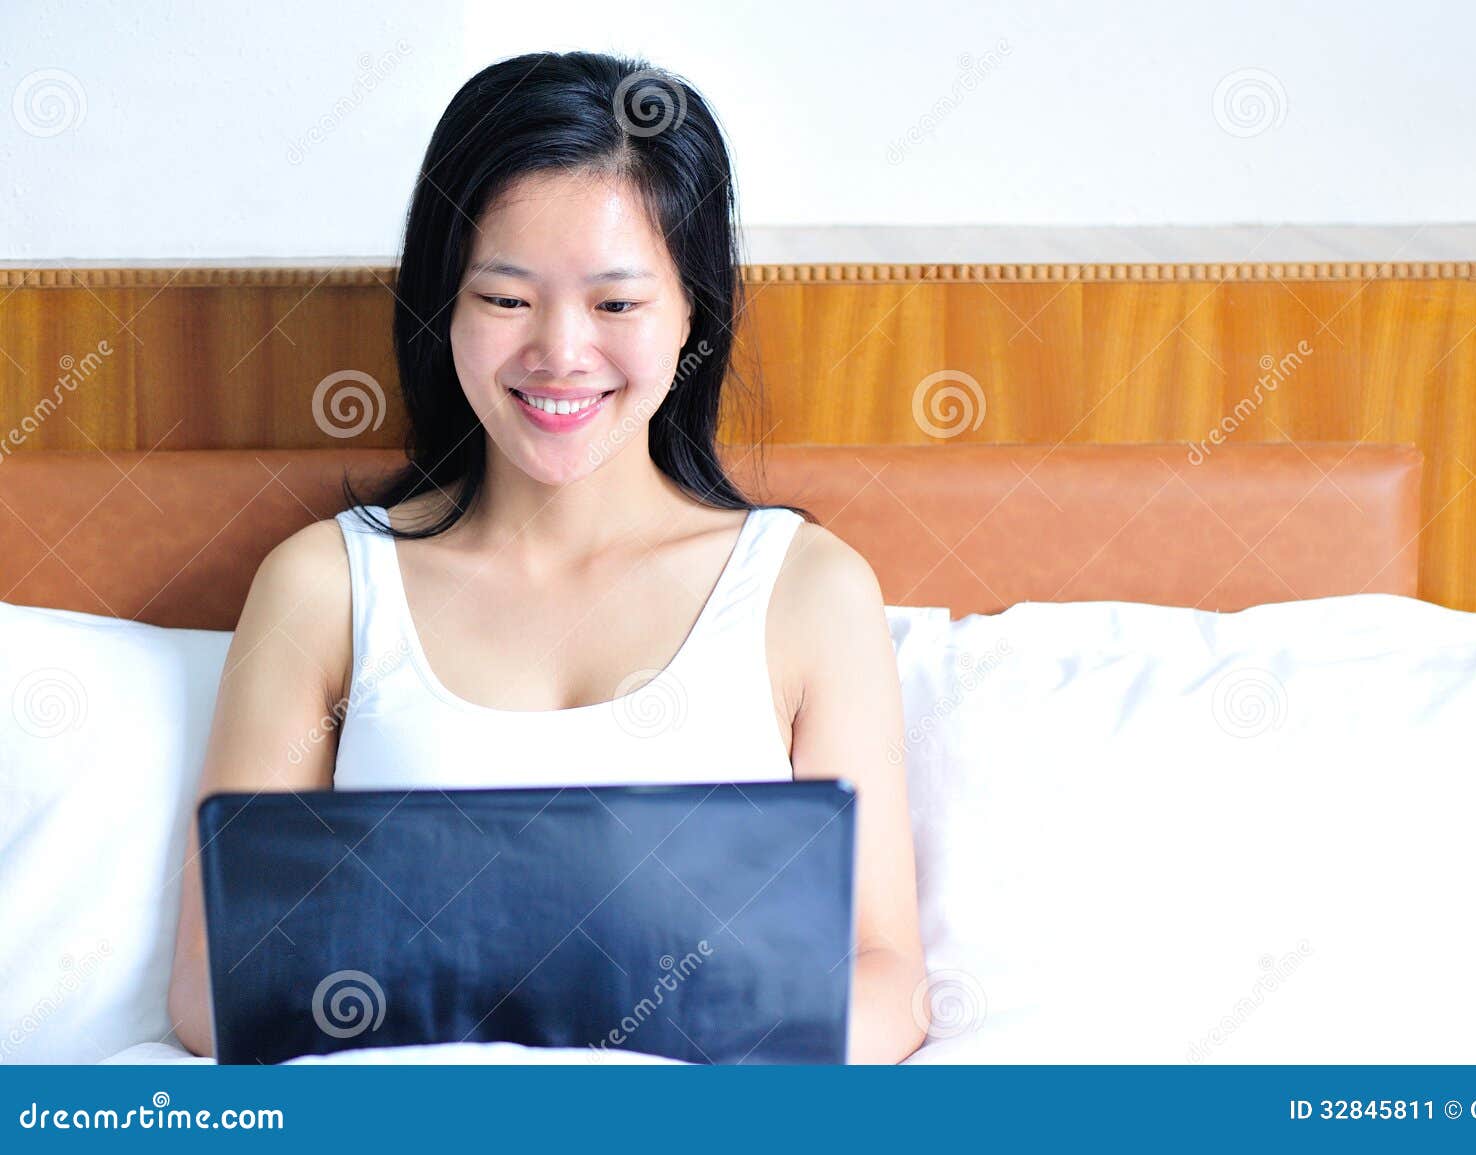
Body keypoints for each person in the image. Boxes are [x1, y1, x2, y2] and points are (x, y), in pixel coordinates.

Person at [166, 49, 928, 1063]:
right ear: (443, 306)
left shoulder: (808, 590)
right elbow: (212, 981)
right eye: (505, 299)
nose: (561, 353)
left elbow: (886, 975)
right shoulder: (323, 587)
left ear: (693, 313)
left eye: (616, 304)